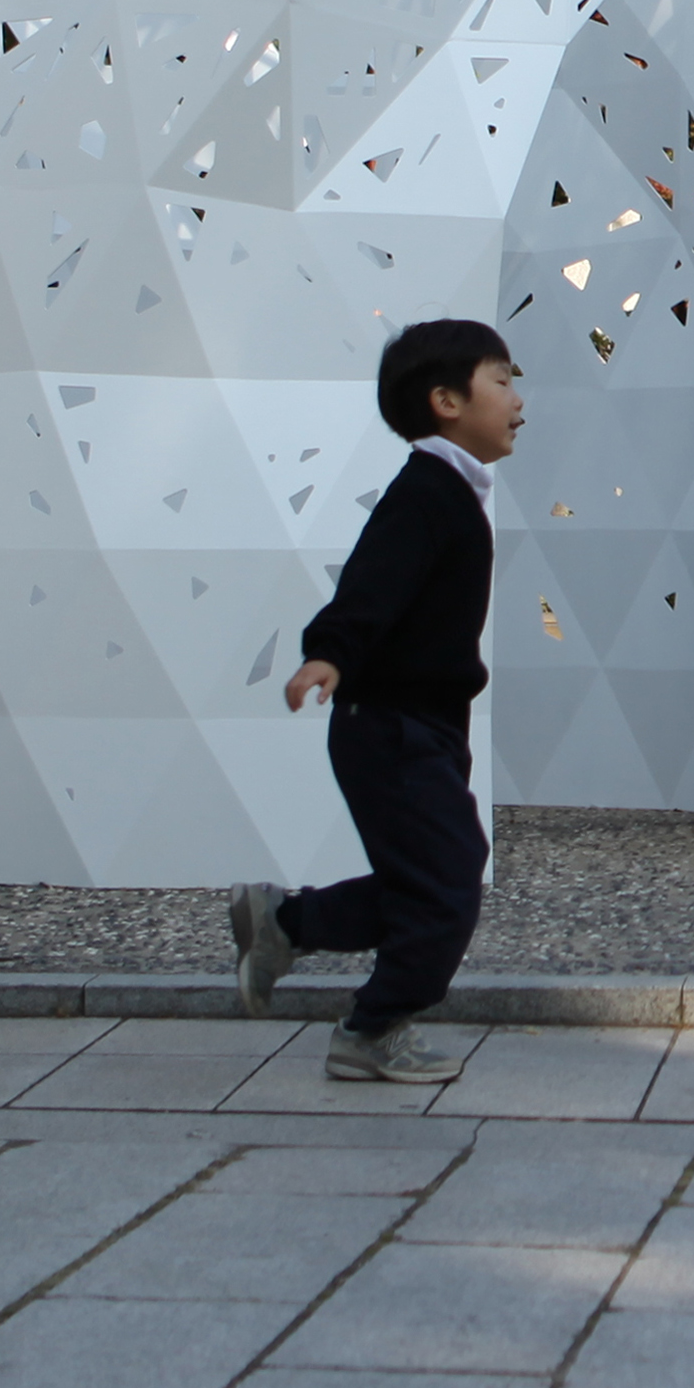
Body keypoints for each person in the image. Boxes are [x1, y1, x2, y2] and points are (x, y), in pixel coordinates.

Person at [228, 319, 523, 1085]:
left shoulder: (451, 489)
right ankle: (371, 1027)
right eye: (504, 381)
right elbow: (373, 584)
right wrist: (328, 654)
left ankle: (286, 925)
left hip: (414, 725)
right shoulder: (428, 493)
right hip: (389, 727)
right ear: (446, 400)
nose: (519, 400)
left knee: (427, 879)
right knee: (450, 881)